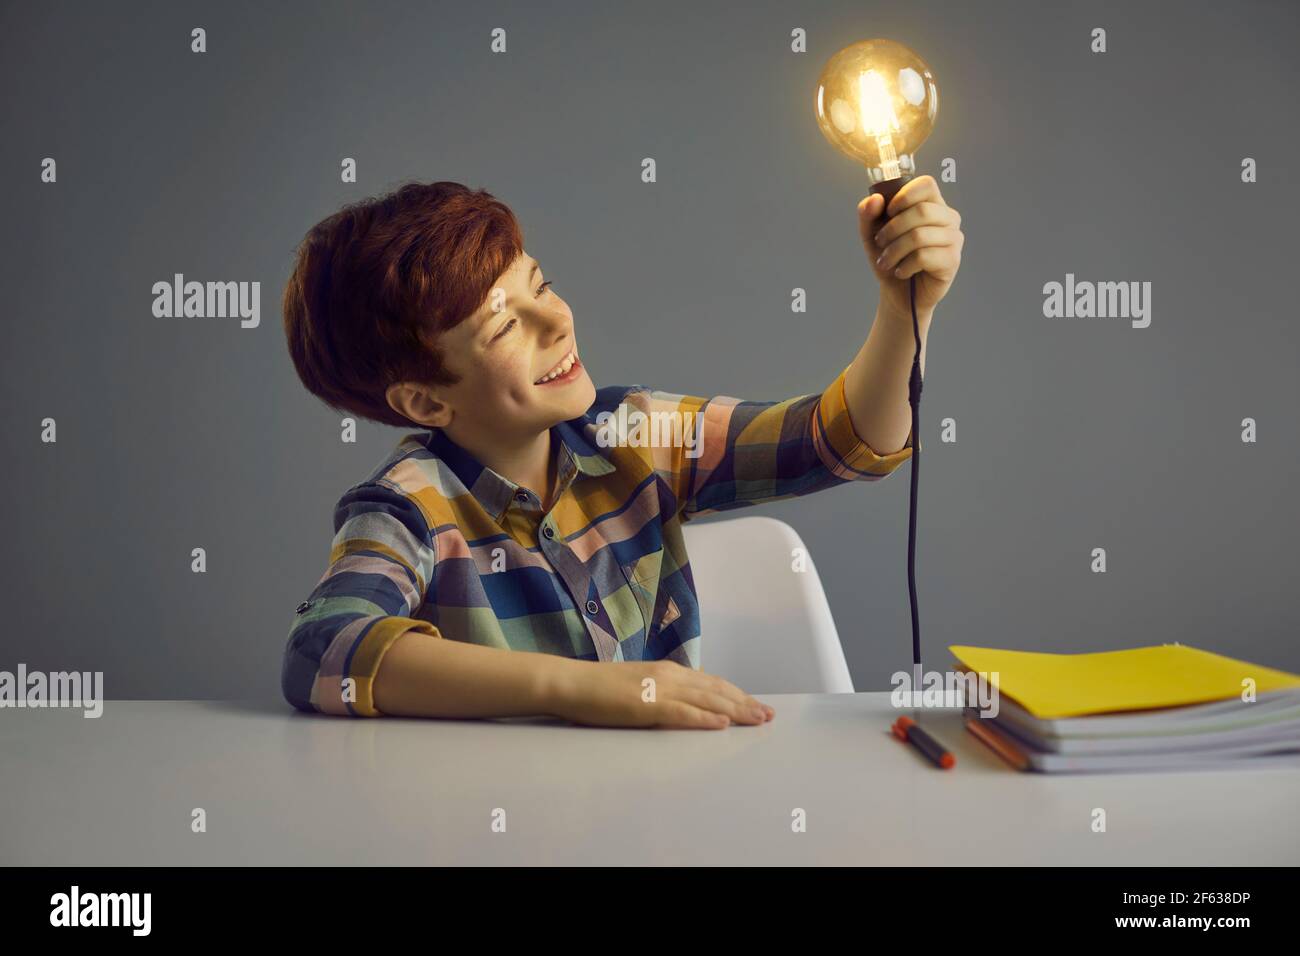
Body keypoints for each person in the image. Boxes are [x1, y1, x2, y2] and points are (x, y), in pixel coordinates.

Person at [280, 178, 963, 728]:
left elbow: (839, 441)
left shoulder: (631, 432)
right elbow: (323, 651)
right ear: (426, 403)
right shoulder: (406, 505)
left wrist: (909, 309)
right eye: (506, 325)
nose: (557, 321)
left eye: (540, 286)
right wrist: (584, 689)